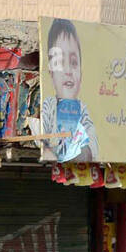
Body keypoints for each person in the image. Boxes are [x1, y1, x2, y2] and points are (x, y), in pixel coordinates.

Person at [40, 18, 97, 163]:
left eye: (74, 63)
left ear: (81, 73)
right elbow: (42, 140)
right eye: (59, 63)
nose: (68, 71)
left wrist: (77, 150)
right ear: (51, 72)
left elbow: (92, 146)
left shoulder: (82, 110)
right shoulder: (48, 105)